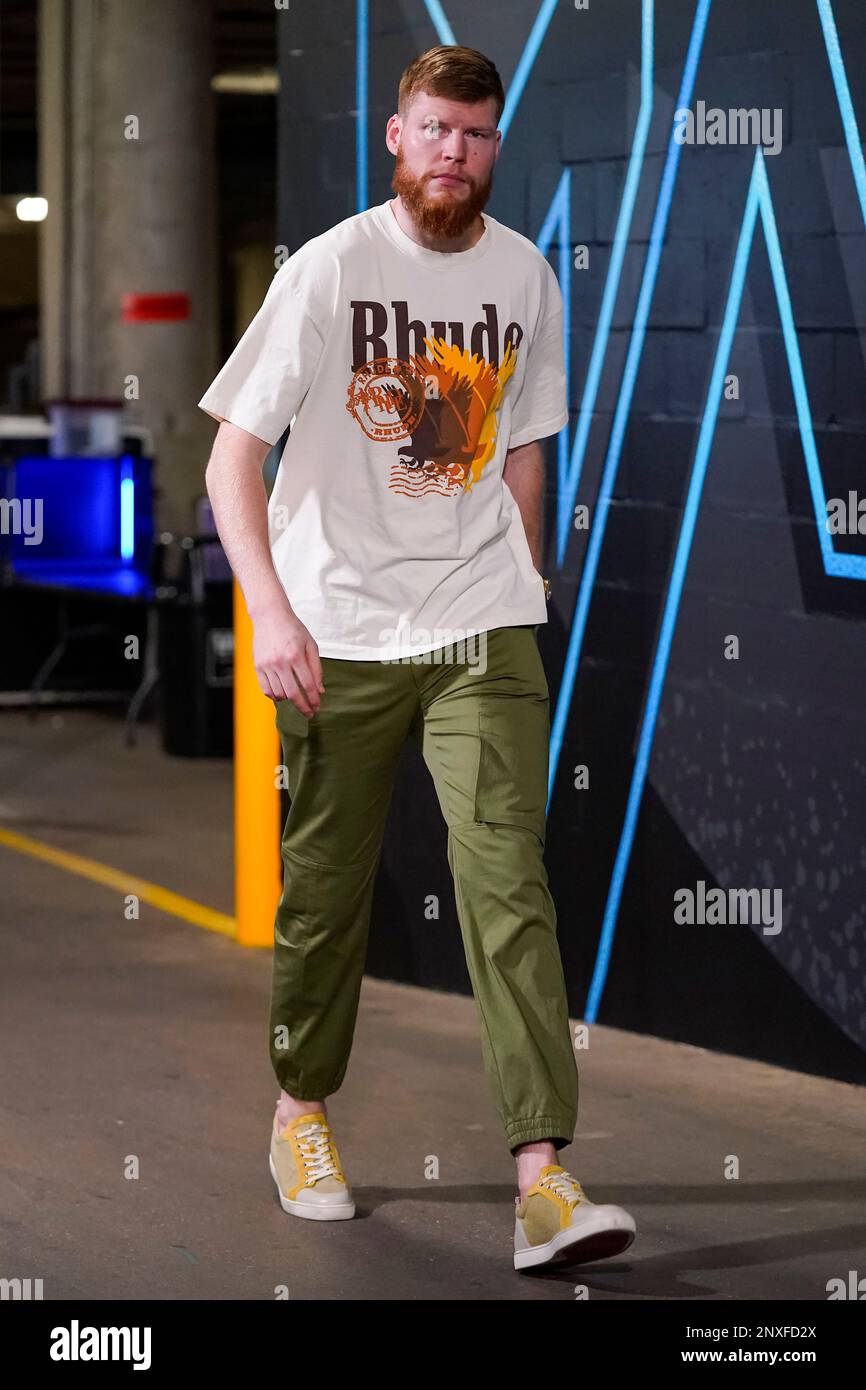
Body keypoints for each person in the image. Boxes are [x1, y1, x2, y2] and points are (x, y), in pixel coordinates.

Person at [198, 43, 636, 1272]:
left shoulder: (525, 276)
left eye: (476, 133)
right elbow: (234, 455)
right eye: (435, 128)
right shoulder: (332, 268)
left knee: (507, 887)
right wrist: (270, 614)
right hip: (334, 631)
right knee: (325, 891)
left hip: (479, 622)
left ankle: (542, 1178)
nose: (455, 150)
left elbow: (524, 445)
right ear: (395, 137)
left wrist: (529, 583)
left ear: (496, 146)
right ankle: (300, 1114)